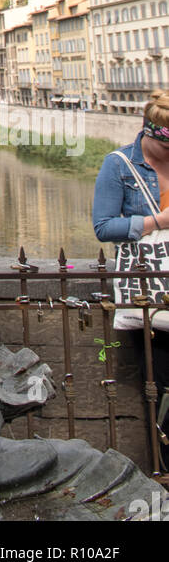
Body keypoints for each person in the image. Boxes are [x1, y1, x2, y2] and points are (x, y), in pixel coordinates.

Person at [93, 90, 169, 464]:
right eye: (163, 151)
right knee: (164, 394)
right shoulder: (119, 165)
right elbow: (104, 227)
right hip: (152, 305)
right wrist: (157, 222)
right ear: (150, 133)